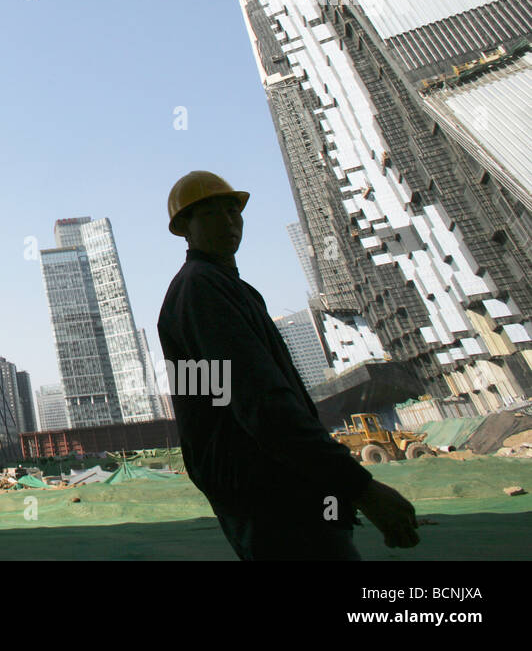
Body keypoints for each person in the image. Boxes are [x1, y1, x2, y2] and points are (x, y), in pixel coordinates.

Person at [157, 171, 420, 560]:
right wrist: (360, 488)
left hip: (269, 483)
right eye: (211, 214)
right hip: (267, 488)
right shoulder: (201, 290)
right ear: (184, 228)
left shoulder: (227, 289)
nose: (229, 222)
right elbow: (259, 400)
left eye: (233, 211)